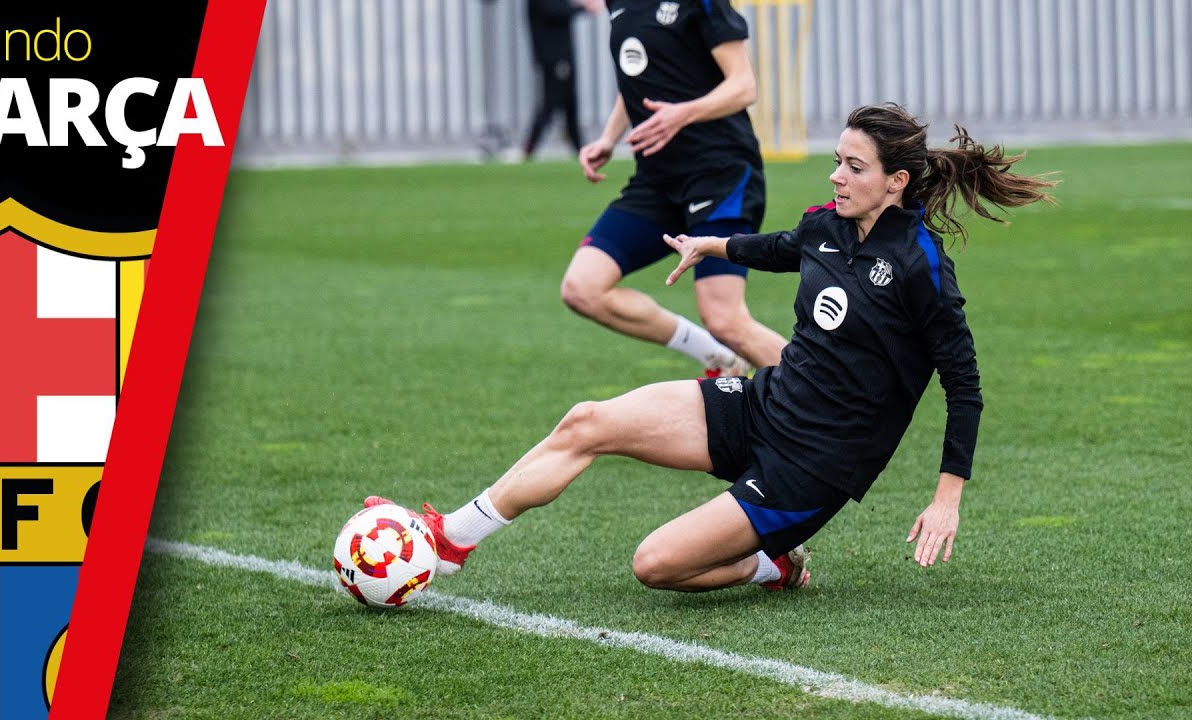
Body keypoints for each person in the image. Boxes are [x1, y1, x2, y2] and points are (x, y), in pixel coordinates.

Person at [368, 103, 1057, 592]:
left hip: (812, 469)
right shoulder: (827, 226)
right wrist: (711, 245)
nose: (835, 177)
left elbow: (964, 387)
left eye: (853, 166)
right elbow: (781, 246)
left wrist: (947, 499)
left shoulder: (921, 266)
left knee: (656, 566)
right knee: (588, 421)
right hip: (763, 405)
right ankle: (451, 539)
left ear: (896, 182)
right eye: (836, 162)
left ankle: (774, 563)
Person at [561, 0, 788, 378]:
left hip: (719, 174)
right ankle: (719, 357)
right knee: (582, 289)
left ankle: (838, 402)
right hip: (657, 180)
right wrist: (608, 138)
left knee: (725, 319)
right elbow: (642, 75)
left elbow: (744, 86)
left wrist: (683, 113)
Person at [521, 0, 603, 160]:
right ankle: (528, 148)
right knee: (549, 105)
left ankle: (581, 150)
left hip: (563, 56)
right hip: (554, 57)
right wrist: (582, 7)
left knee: (570, 105)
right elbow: (553, 11)